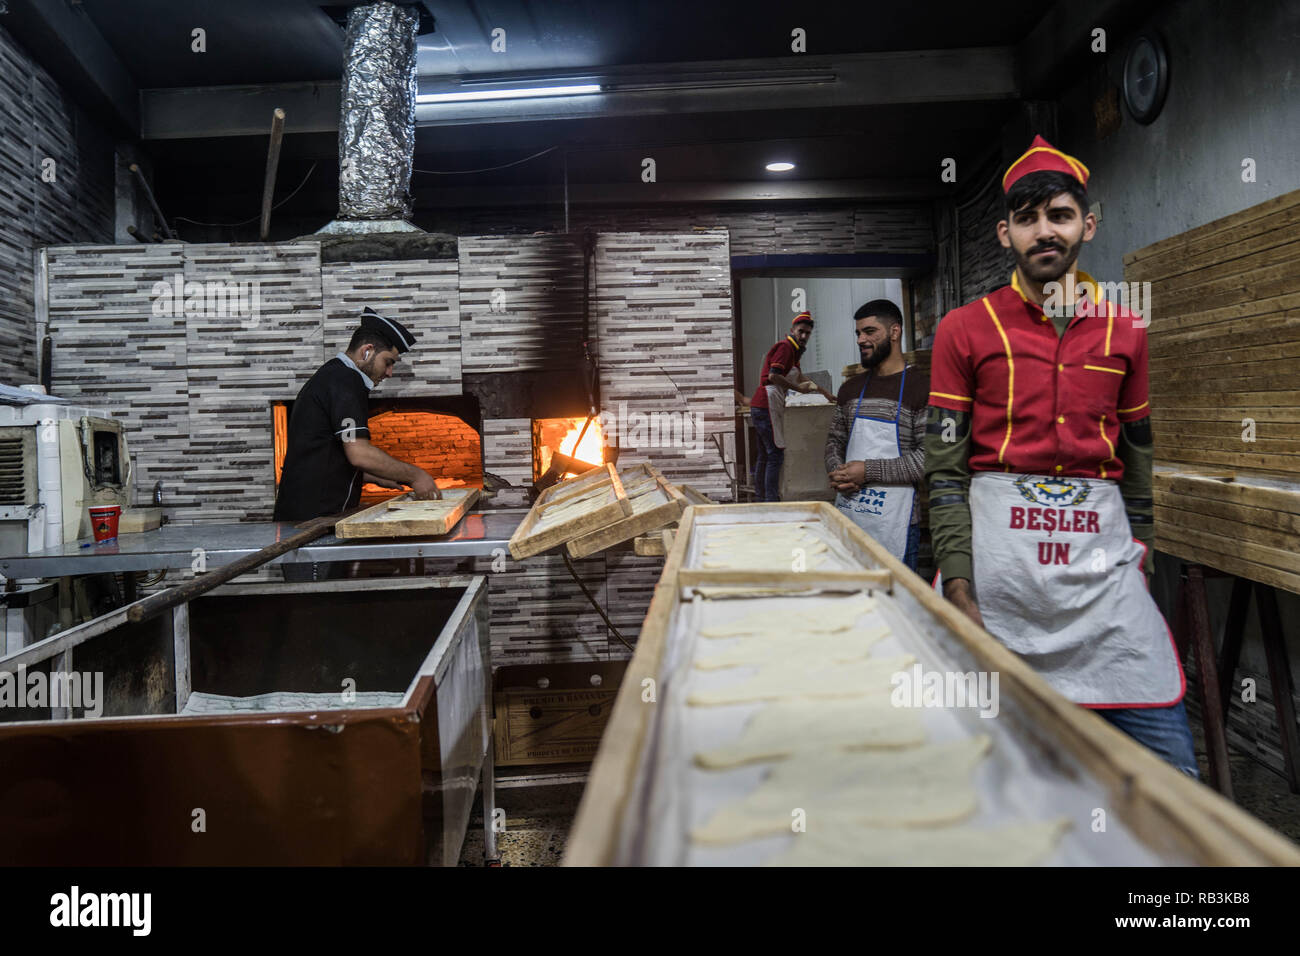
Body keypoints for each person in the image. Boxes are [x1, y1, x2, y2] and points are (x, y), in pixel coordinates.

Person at [924, 135, 1195, 775]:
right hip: (997, 578)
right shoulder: (963, 329)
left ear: (1087, 224)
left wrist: (1144, 555)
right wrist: (958, 583)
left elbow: (1138, 453)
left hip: (1102, 585)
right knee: (984, 778)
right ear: (1005, 233)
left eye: (1060, 215)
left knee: (1170, 779)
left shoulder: (1126, 327)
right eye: (1027, 219)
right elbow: (944, 466)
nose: (1044, 232)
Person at [274, 307, 442, 580]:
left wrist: (374, 477)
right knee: (314, 609)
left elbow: (325, 453)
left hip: (313, 522)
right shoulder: (345, 381)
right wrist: (417, 475)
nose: (389, 372)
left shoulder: (334, 376)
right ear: (366, 351)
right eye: (388, 361)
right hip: (309, 528)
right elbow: (358, 453)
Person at [825, 299, 929, 570]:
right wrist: (839, 473)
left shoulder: (921, 388)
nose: (861, 339)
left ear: (895, 332)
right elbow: (835, 441)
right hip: (849, 516)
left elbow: (929, 458)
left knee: (895, 603)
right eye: (858, 333)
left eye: (870, 331)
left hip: (897, 524)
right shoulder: (850, 389)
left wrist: (867, 472)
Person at [749, 312, 835, 501]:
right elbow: (773, 376)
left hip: (763, 405)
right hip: (766, 403)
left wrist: (825, 393)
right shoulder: (786, 348)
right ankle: (771, 502)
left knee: (765, 454)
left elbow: (803, 379)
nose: (804, 336)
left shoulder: (794, 353)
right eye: (801, 331)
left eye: (808, 333)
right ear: (792, 331)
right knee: (775, 454)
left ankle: (762, 499)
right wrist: (797, 389)